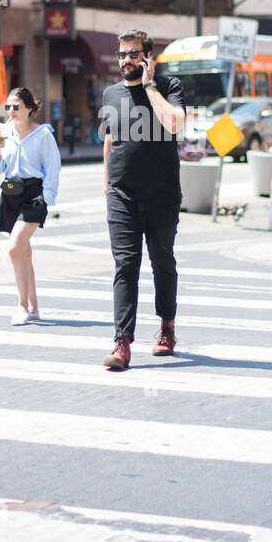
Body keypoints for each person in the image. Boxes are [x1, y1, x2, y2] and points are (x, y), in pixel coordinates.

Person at [97, 29, 187, 371]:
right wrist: (107, 184)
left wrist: (149, 86)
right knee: (125, 265)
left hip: (162, 195)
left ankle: (166, 326)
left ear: (149, 56)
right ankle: (122, 342)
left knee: (162, 260)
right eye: (122, 55)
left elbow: (175, 124)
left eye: (134, 54)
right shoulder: (110, 94)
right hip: (122, 195)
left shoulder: (168, 88)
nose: (126, 61)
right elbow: (109, 139)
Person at [0, 87, 61, 326]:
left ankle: (21, 306)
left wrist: (46, 199)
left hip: (33, 195)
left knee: (14, 248)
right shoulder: (3, 131)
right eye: (7, 106)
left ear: (29, 108)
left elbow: (53, 167)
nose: (11, 111)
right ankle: (34, 307)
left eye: (16, 106)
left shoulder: (43, 134)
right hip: (11, 193)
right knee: (23, 252)